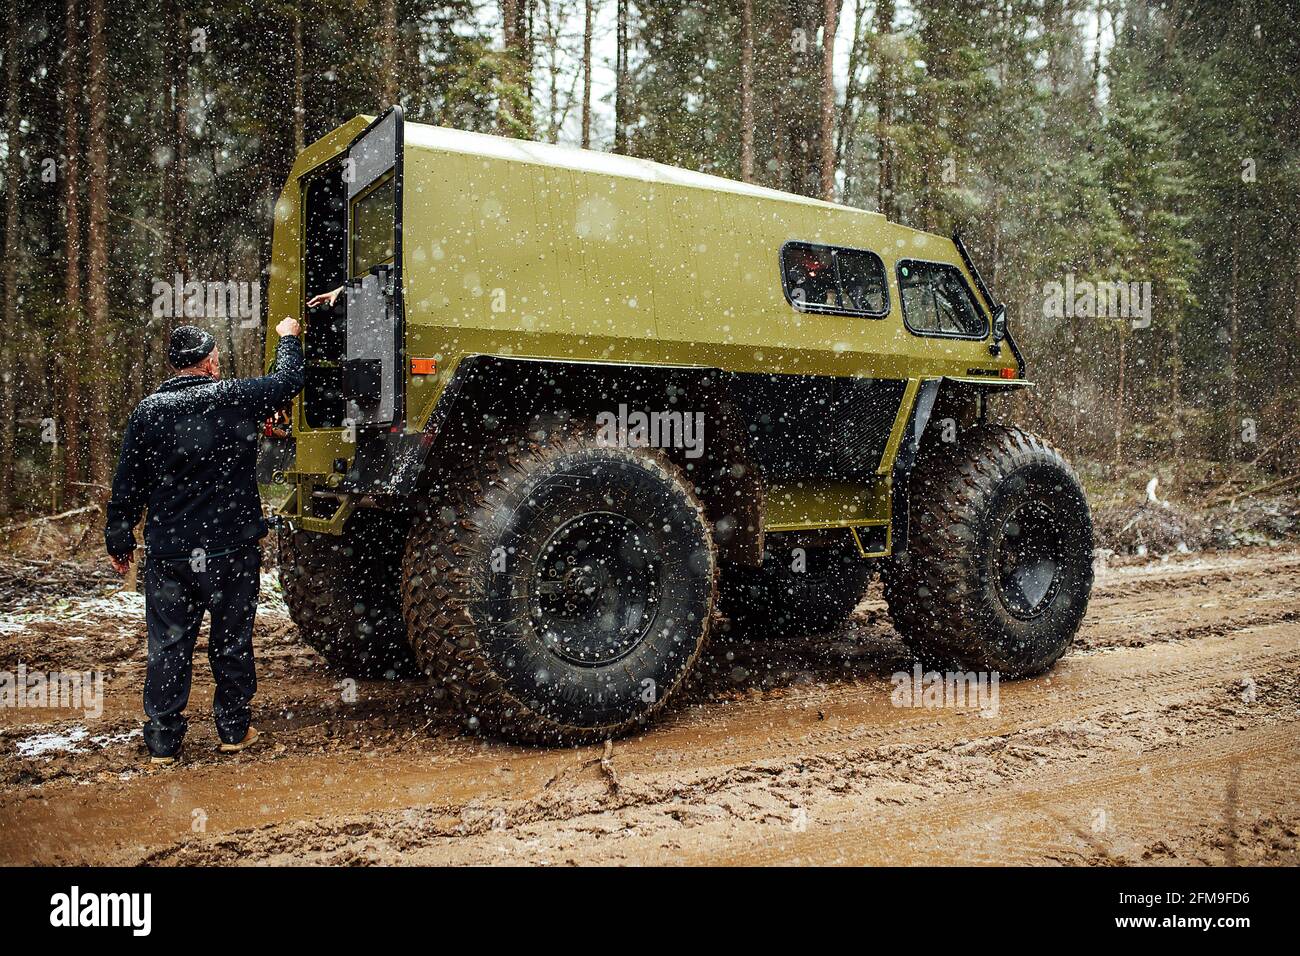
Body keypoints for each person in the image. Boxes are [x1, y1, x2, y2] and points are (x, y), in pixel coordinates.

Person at [105, 318, 305, 765]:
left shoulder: (147, 412)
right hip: (229, 549)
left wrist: (119, 538)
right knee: (231, 641)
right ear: (211, 361)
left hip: (170, 554)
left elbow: (127, 484)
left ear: (175, 366)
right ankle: (233, 731)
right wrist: (288, 338)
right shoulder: (233, 397)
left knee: (169, 646)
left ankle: (162, 744)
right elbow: (288, 380)